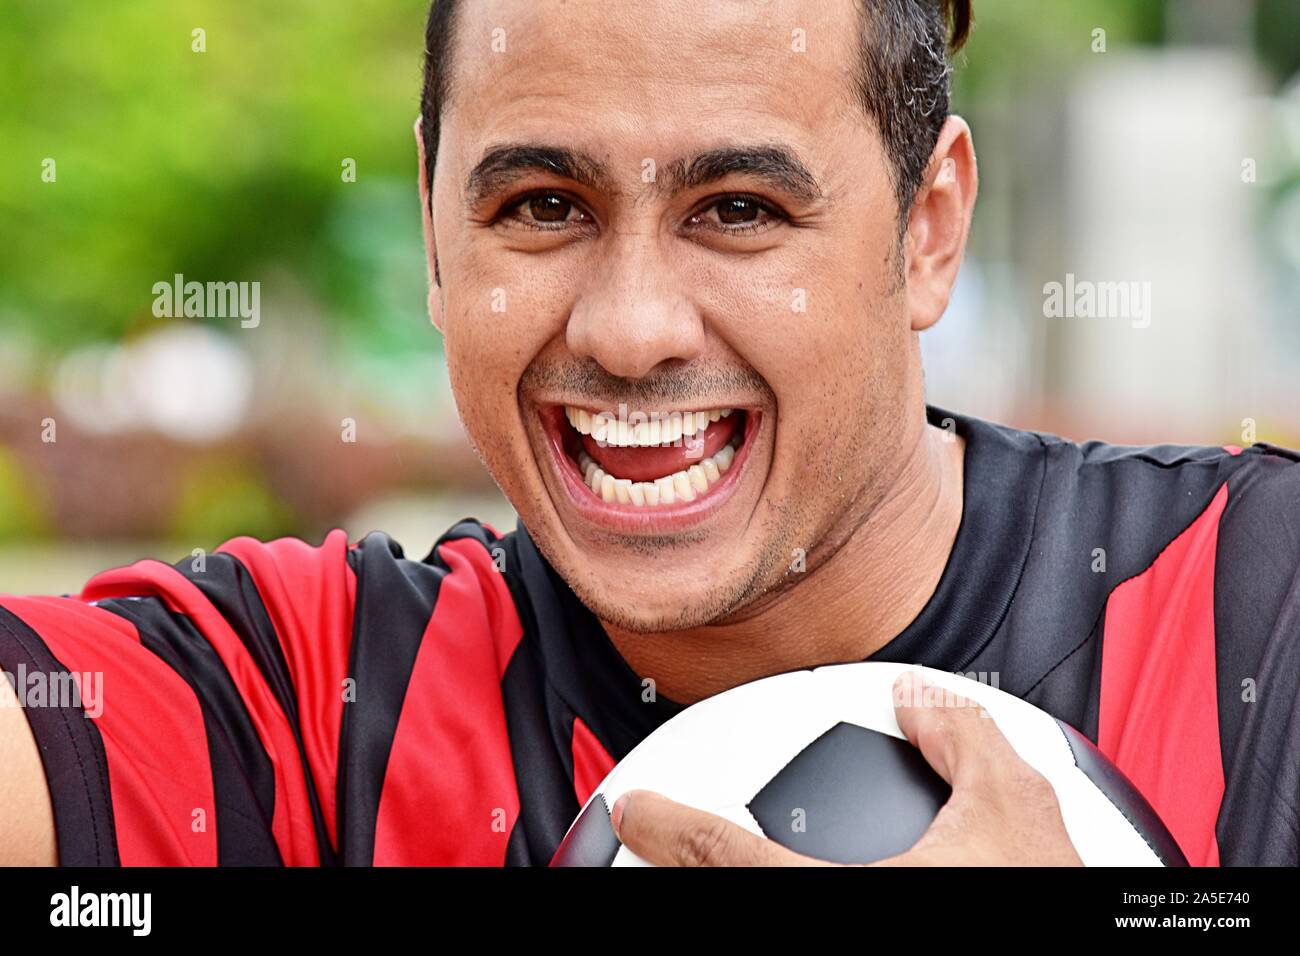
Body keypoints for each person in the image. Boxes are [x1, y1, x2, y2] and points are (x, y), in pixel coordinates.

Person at [1, 0, 1297, 867]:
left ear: (930, 227)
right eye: (541, 203)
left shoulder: (1262, 615)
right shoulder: (301, 702)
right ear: (433, 225)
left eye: (738, 210)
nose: (629, 331)